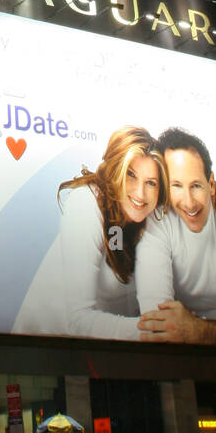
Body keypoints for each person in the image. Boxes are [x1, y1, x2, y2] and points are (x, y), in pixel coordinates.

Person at [135, 127, 216, 346]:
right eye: (176, 186)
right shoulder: (157, 222)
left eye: (196, 185)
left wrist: (199, 331)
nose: (188, 202)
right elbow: (156, 324)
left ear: (211, 184)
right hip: (203, 353)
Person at [56, 126, 169, 339]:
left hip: (126, 353)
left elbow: (157, 305)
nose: (140, 193)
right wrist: (153, 333)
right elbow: (77, 320)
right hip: (61, 352)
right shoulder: (85, 205)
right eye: (131, 175)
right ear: (115, 170)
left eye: (151, 183)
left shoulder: (152, 216)